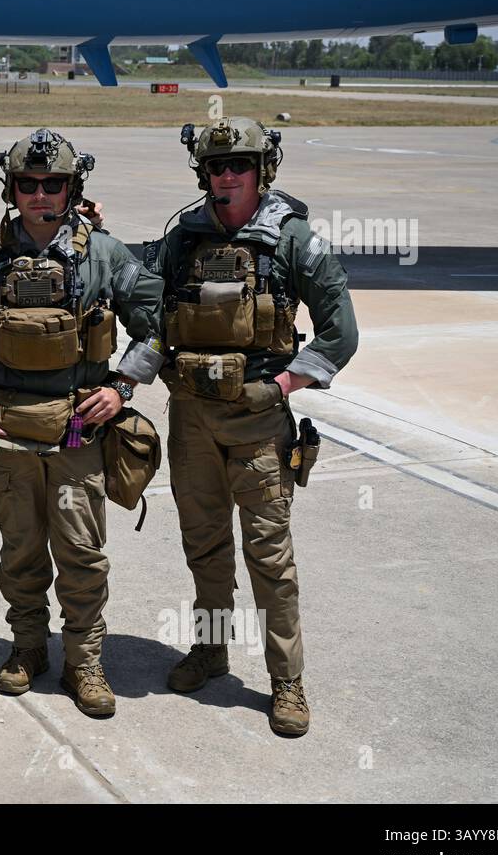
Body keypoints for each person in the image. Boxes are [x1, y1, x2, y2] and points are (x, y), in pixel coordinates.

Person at [0, 129, 164, 717]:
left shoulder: (105, 256)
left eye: (54, 184)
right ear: (12, 189)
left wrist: (122, 387)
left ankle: (84, 662)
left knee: (82, 556)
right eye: (29, 184)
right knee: (19, 555)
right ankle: (28, 647)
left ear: (72, 188)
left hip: (78, 437)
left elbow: (157, 327)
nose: (41, 194)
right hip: (9, 437)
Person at [149, 117, 359, 736]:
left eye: (239, 165)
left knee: (269, 557)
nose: (226, 176)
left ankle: (286, 681)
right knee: (206, 548)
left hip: (260, 422)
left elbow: (340, 332)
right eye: (215, 167)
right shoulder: (182, 239)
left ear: (262, 170)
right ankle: (212, 650)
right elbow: (150, 310)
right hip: (192, 420)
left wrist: (283, 385)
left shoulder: (295, 241)